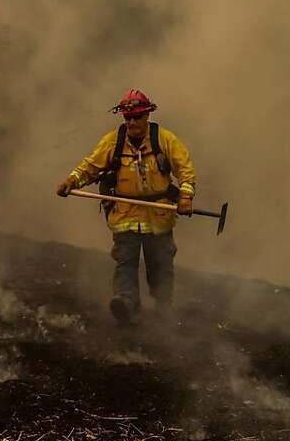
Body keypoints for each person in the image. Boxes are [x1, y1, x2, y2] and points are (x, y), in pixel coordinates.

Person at [56, 88, 198, 323]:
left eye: (137, 117)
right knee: (126, 260)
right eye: (127, 118)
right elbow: (91, 166)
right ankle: (126, 301)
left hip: (159, 215)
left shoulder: (164, 140)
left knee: (160, 263)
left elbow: (185, 169)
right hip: (125, 214)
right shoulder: (114, 141)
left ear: (147, 116)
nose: (132, 122)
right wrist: (71, 181)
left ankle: (163, 306)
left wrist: (185, 197)